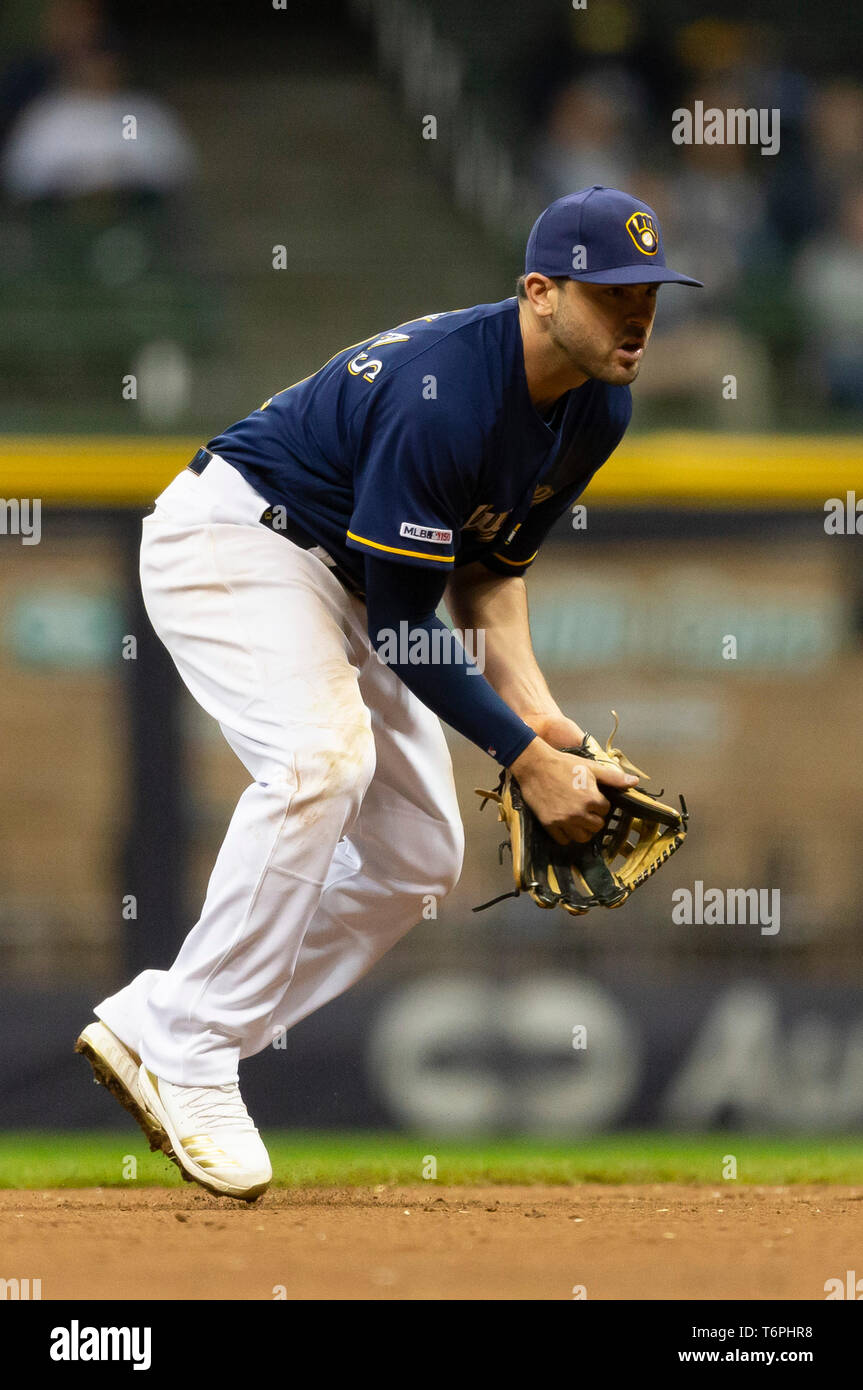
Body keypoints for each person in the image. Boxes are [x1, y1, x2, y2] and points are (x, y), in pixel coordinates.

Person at [76, 185, 701, 1201]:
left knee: (417, 855)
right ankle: (190, 1048)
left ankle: (172, 1018)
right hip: (238, 538)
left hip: (349, 583)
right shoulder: (445, 392)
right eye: (608, 291)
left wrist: (546, 725)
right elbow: (410, 628)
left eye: (649, 292)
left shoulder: (599, 405)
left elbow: (488, 577)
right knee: (320, 764)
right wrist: (526, 762)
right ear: (539, 292)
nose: (636, 313)